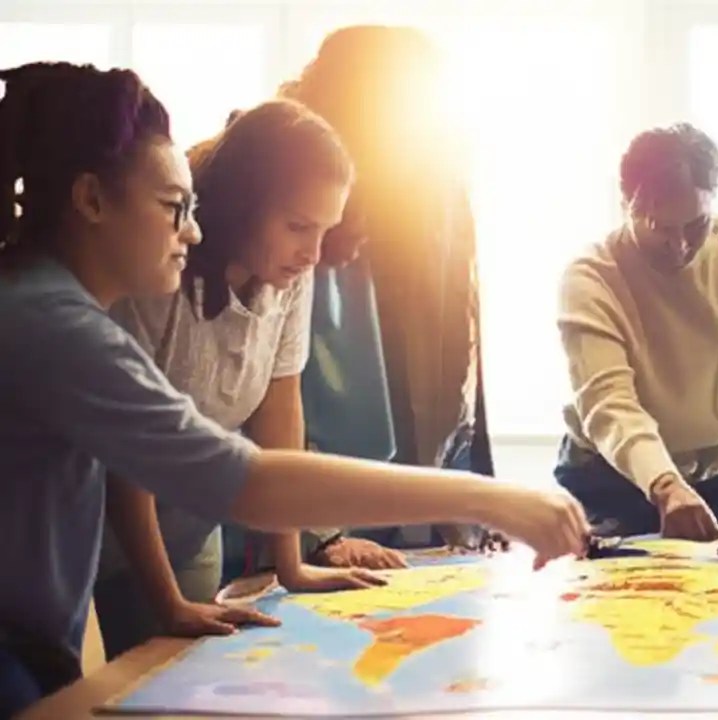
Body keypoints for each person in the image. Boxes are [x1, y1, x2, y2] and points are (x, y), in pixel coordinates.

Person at [0, 62, 587, 717]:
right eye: (173, 208)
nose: (188, 231)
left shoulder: (41, 301)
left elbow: (273, 421)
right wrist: (494, 500)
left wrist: (293, 561)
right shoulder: (54, 322)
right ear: (91, 200)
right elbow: (243, 480)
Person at [91, 100, 407, 661]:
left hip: (190, 522)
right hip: (95, 523)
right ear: (243, 203)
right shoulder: (158, 269)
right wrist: (166, 601)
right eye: (298, 226)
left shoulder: (288, 275)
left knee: (184, 675)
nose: (313, 253)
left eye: (325, 229)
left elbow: (280, 414)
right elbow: (128, 450)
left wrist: (292, 563)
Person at [277, 26, 497, 554]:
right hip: (308, 486)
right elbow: (270, 389)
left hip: (421, 463)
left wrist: (471, 494)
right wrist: (318, 532)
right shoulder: (293, 194)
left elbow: (461, 347)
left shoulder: (439, 191)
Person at [555, 123, 718, 540]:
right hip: (611, 480)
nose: (680, 245)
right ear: (626, 204)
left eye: (695, 225)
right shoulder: (589, 278)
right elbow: (609, 405)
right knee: (613, 604)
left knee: (713, 603)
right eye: (659, 226)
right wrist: (666, 484)